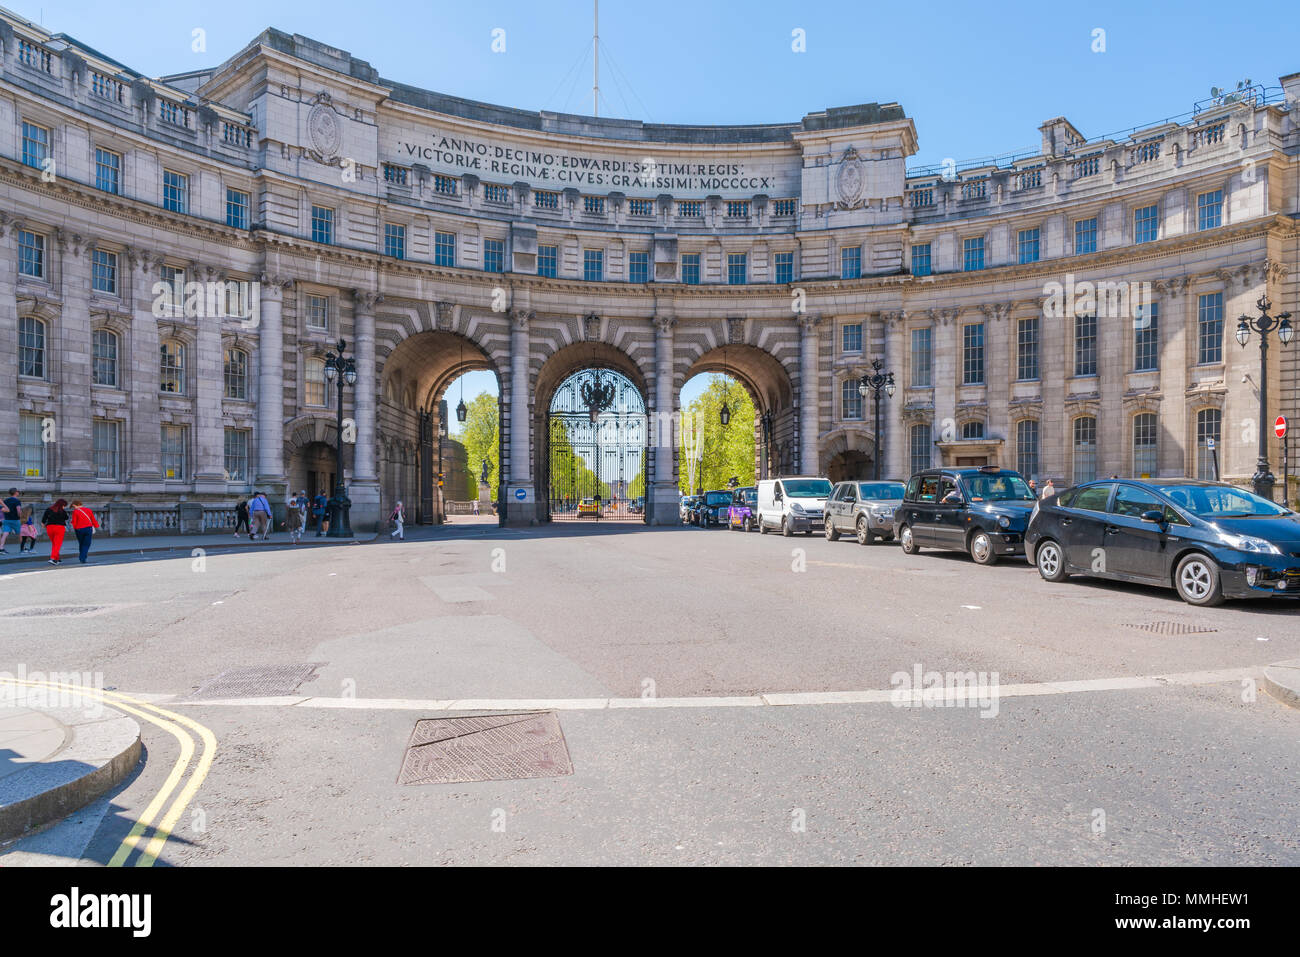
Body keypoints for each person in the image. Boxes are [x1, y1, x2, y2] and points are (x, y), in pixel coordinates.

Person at [69, 500, 100, 564]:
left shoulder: (75, 511)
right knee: (86, 544)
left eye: (73, 506)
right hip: (88, 529)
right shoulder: (89, 510)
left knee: (81, 543)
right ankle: (83, 557)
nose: (73, 508)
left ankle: (82, 557)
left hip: (79, 530)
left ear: (75, 505)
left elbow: (74, 522)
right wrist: (96, 525)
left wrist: (75, 528)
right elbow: (93, 519)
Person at [42, 499, 68, 565]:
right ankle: (53, 558)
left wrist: (45, 526)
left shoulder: (48, 509)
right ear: (62, 505)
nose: (64, 507)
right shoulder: (62, 511)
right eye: (64, 506)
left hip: (50, 527)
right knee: (57, 544)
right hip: (59, 528)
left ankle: (57, 559)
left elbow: (43, 520)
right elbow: (66, 518)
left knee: (54, 543)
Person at [1, 487, 21, 554]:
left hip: (6, 519)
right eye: (18, 491)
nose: (18, 492)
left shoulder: (5, 500)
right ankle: (22, 548)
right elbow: (18, 511)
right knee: (20, 533)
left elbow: (3, 509)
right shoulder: (17, 501)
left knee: (5, 534)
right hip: (15, 520)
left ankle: (1, 548)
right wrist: (21, 517)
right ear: (15, 493)